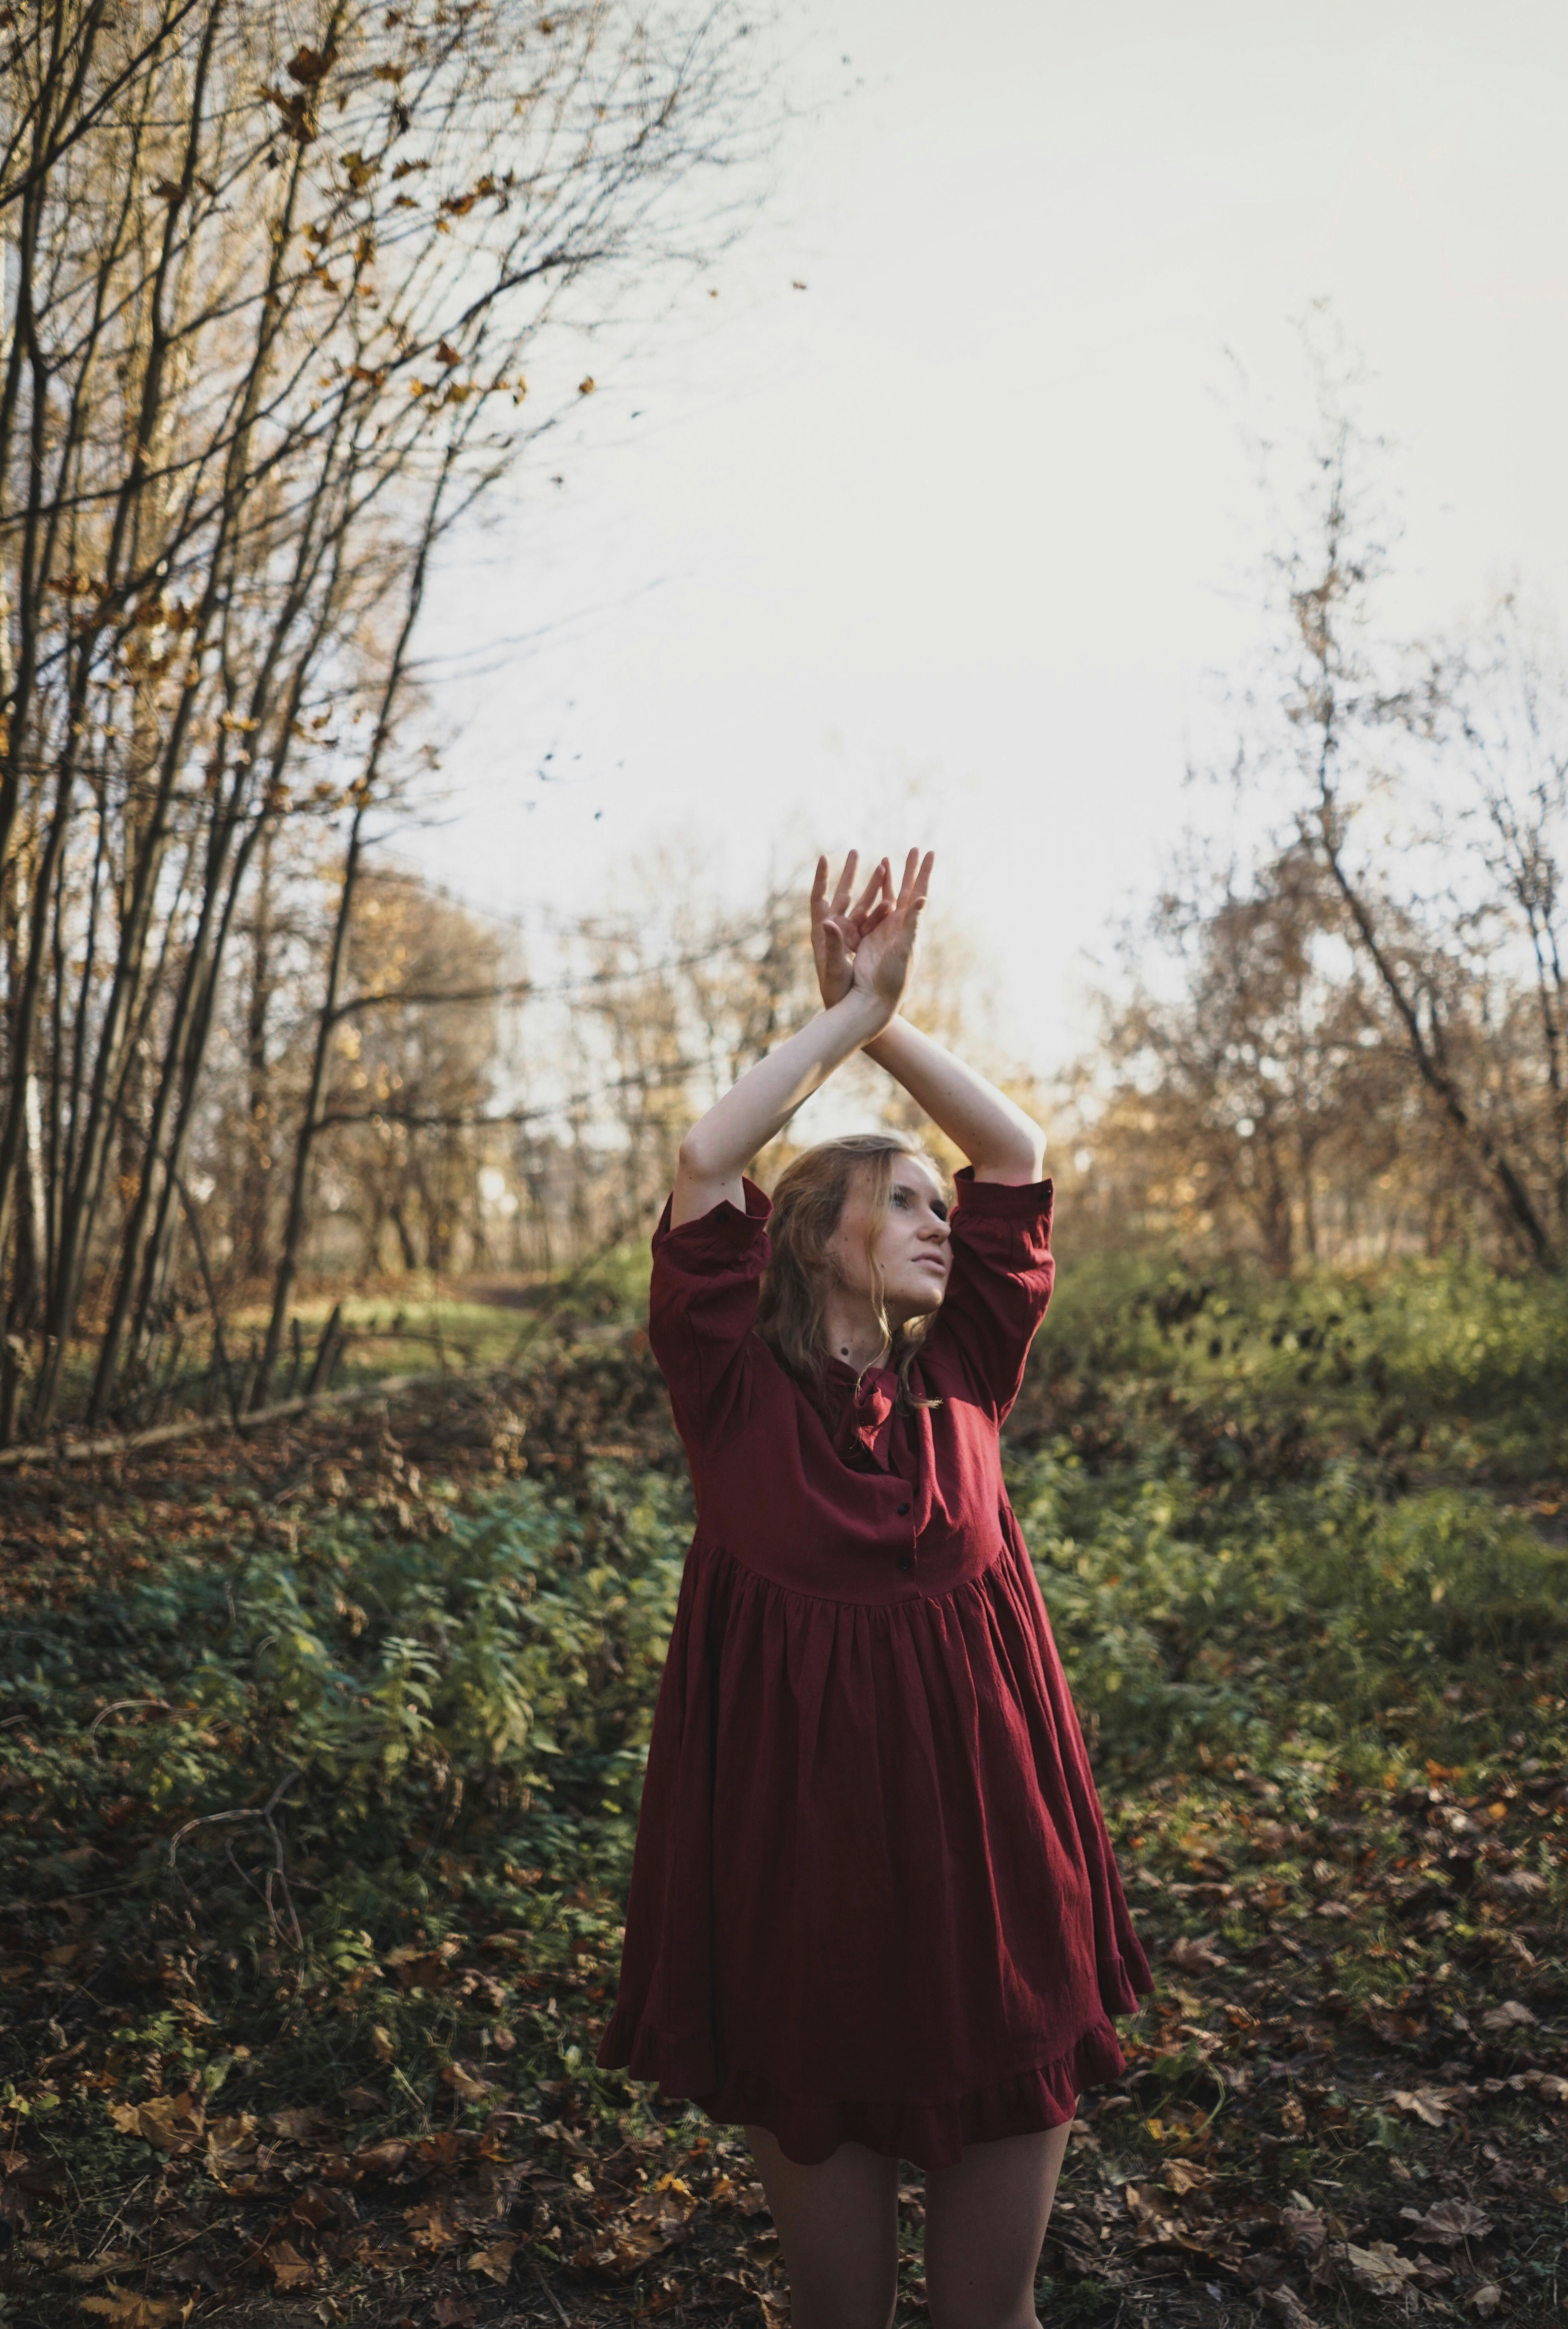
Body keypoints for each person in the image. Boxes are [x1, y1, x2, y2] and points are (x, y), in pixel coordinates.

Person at [597, 850, 1151, 2329]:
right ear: (815, 1236)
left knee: (994, 2319)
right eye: (900, 1199)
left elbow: (1019, 1152)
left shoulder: (962, 1383)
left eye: (934, 1201)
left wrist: (889, 1015)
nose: (937, 1217)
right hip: (806, 1912)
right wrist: (837, 1025)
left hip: (999, 1898)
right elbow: (710, 1160)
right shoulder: (731, 1393)